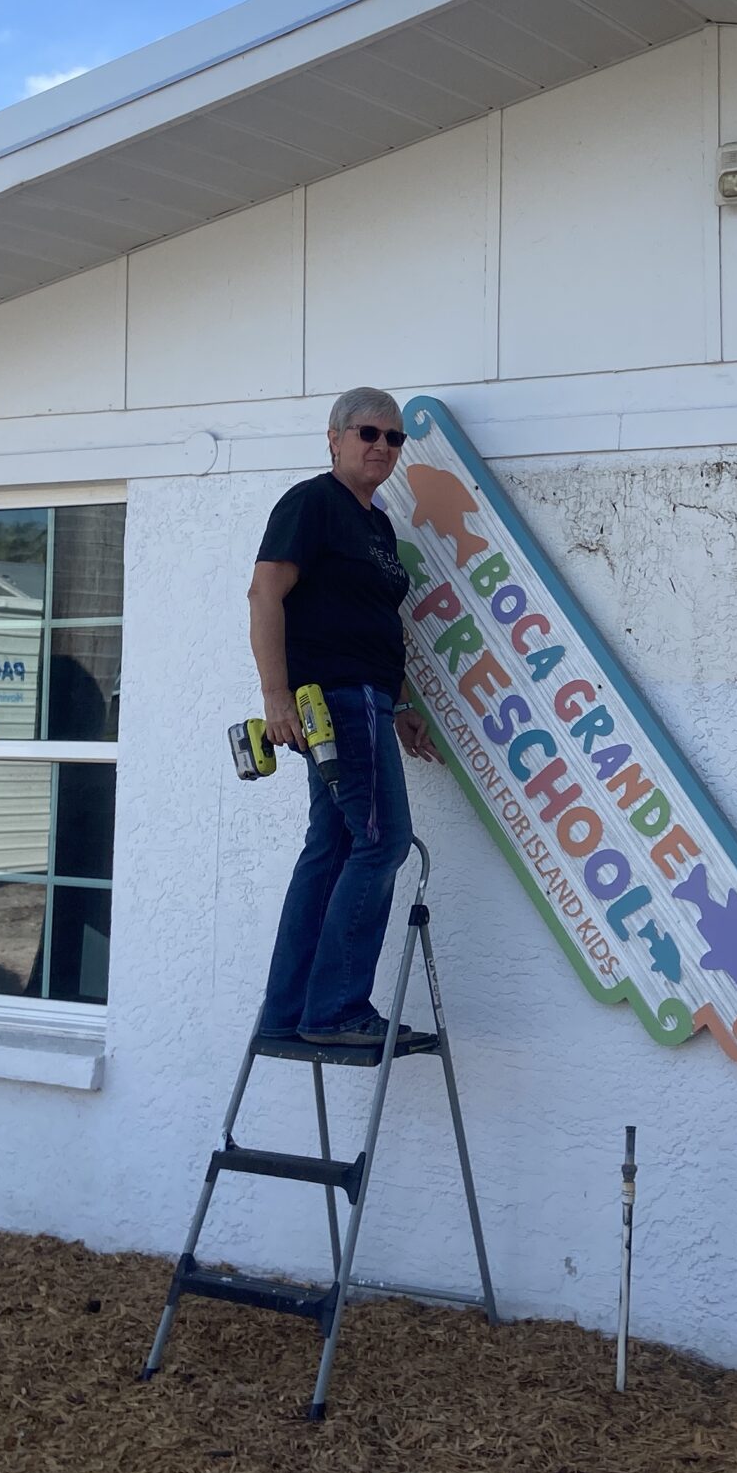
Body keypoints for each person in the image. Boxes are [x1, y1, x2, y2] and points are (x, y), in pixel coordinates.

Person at [248, 387, 442, 1046]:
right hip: (336, 698)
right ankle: (335, 1010)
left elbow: (374, 622)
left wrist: (404, 705)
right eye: (369, 433)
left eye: (395, 439)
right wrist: (276, 697)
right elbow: (265, 593)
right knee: (382, 840)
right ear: (333, 438)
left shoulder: (376, 525)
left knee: (331, 848)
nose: (382, 447)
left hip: (366, 701)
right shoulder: (312, 504)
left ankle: (289, 1010)